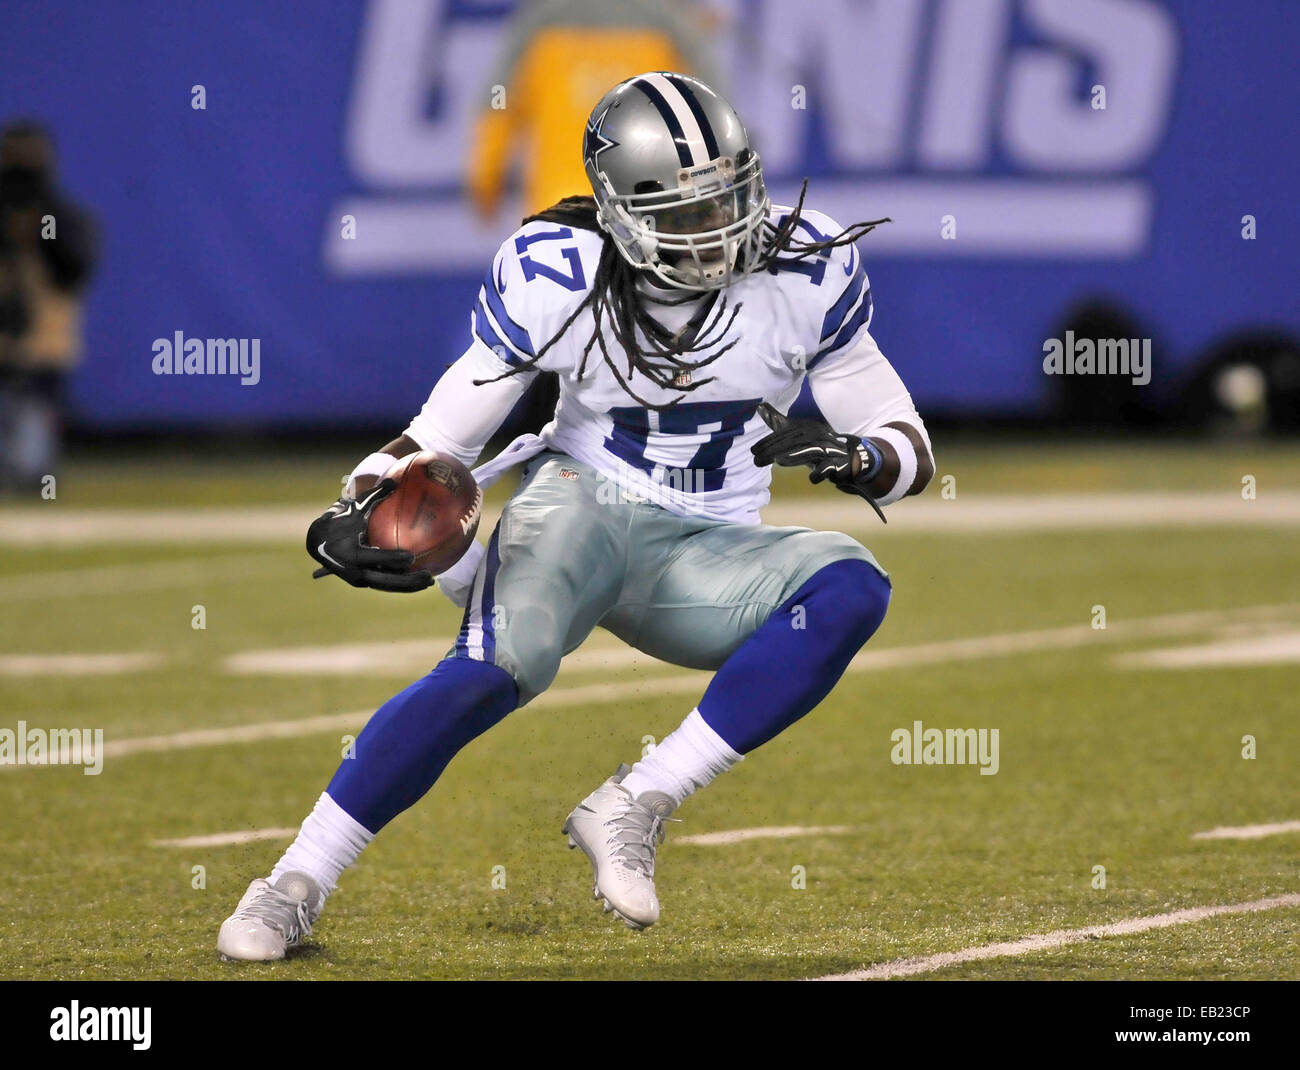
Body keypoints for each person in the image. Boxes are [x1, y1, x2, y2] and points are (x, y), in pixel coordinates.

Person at [217, 71, 934, 961]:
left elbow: (906, 443)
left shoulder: (807, 267)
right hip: (582, 508)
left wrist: (862, 458)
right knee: (488, 673)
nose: (717, 228)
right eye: (685, 212)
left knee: (853, 587)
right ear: (624, 218)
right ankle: (294, 882)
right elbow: (438, 435)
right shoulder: (560, 271)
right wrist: (355, 500)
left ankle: (638, 799)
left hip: (711, 550)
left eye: (728, 198)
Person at [0, 121, 97, 492]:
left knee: (33, 463)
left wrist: (41, 223)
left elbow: (71, 269)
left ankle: (32, 476)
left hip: (43, 349)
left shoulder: (60, 218)